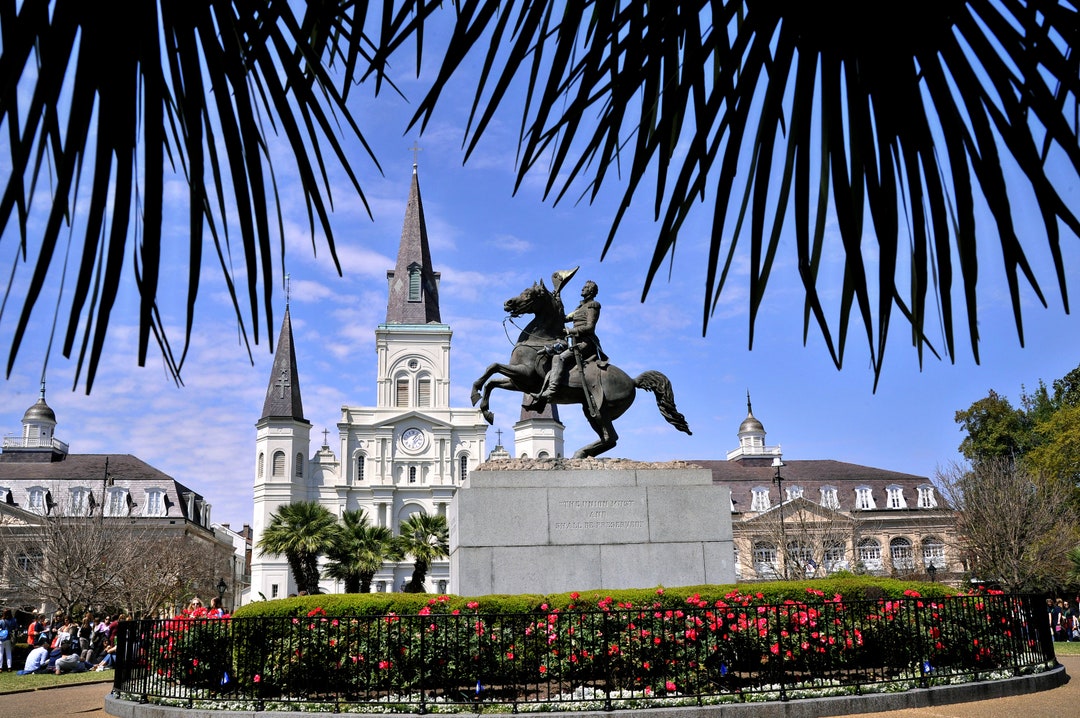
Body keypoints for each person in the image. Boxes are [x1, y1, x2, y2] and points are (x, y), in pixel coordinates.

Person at [537, 279, 607, 403]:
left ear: (591, 291)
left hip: (586, 343)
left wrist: (570, 331)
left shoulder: (593, 305)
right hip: (575, 342)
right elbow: (564, 318)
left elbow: (590, 327)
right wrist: (557, 299)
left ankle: (552, 390)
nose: (582, 289)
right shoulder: (580, 307)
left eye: (585, 287)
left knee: (560, 358)